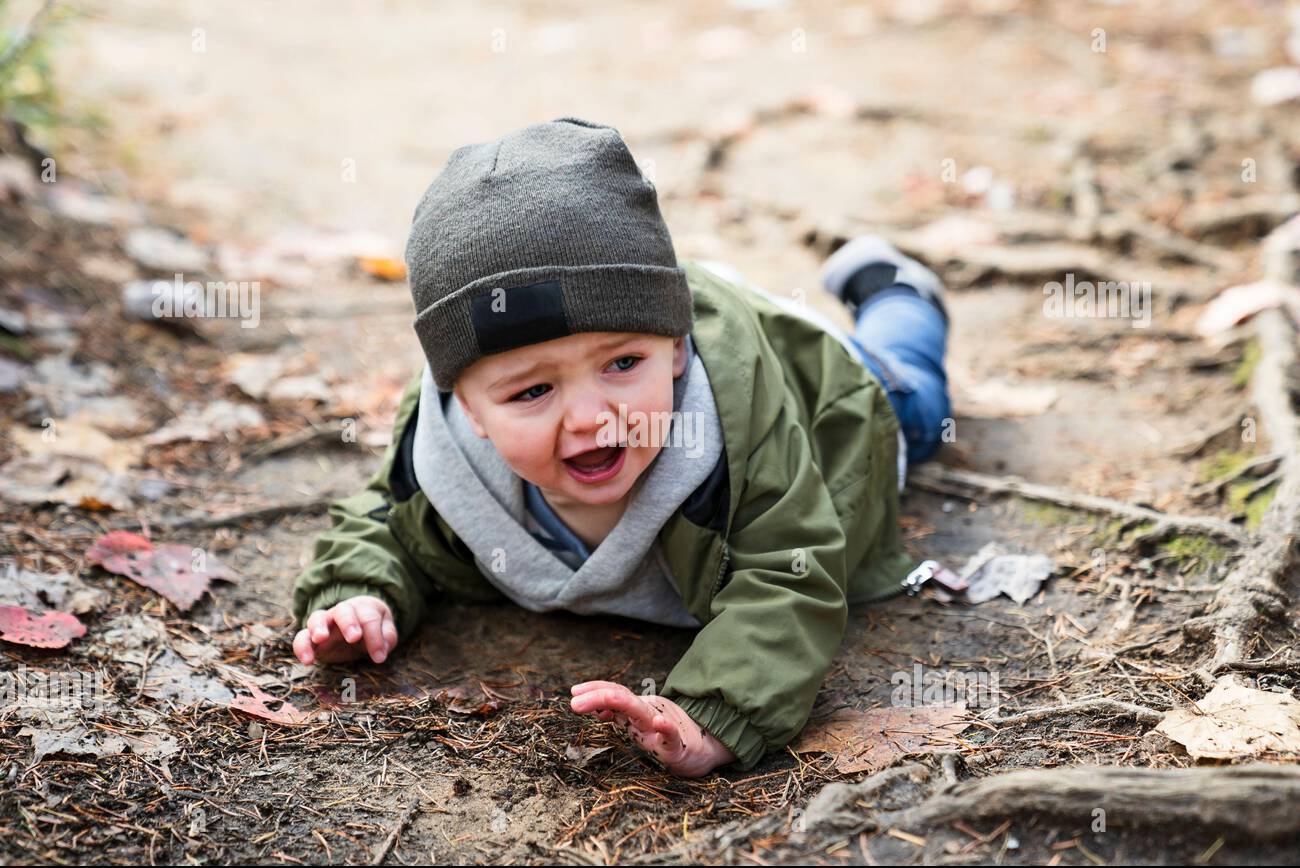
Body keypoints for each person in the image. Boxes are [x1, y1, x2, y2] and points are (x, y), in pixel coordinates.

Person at [290, 117, 952, 778]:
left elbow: (788, 571)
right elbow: (385, 518)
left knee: (912, 395)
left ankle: (901, 295)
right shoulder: (439, 459)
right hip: (663, 309)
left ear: (674, 350)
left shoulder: (739, 440)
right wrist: (358, 596)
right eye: (532, 392)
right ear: (469, 410)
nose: (591, 418)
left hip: (829, 394)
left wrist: (712, 716)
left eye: (620, 365)